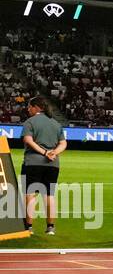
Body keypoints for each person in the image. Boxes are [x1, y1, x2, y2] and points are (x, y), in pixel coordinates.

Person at [21, 96, 66, 236]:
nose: (28, 110)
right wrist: (53, 153)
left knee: (30, 194)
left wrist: (44, 152)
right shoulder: (56, 123)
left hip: (33, 162)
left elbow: (28, 140)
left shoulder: (30, 122)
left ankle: (28, 227)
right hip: (52, 164)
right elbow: (63, 143)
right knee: (49, 195)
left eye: (30, 107)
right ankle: (50, 227)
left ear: (37, 107)